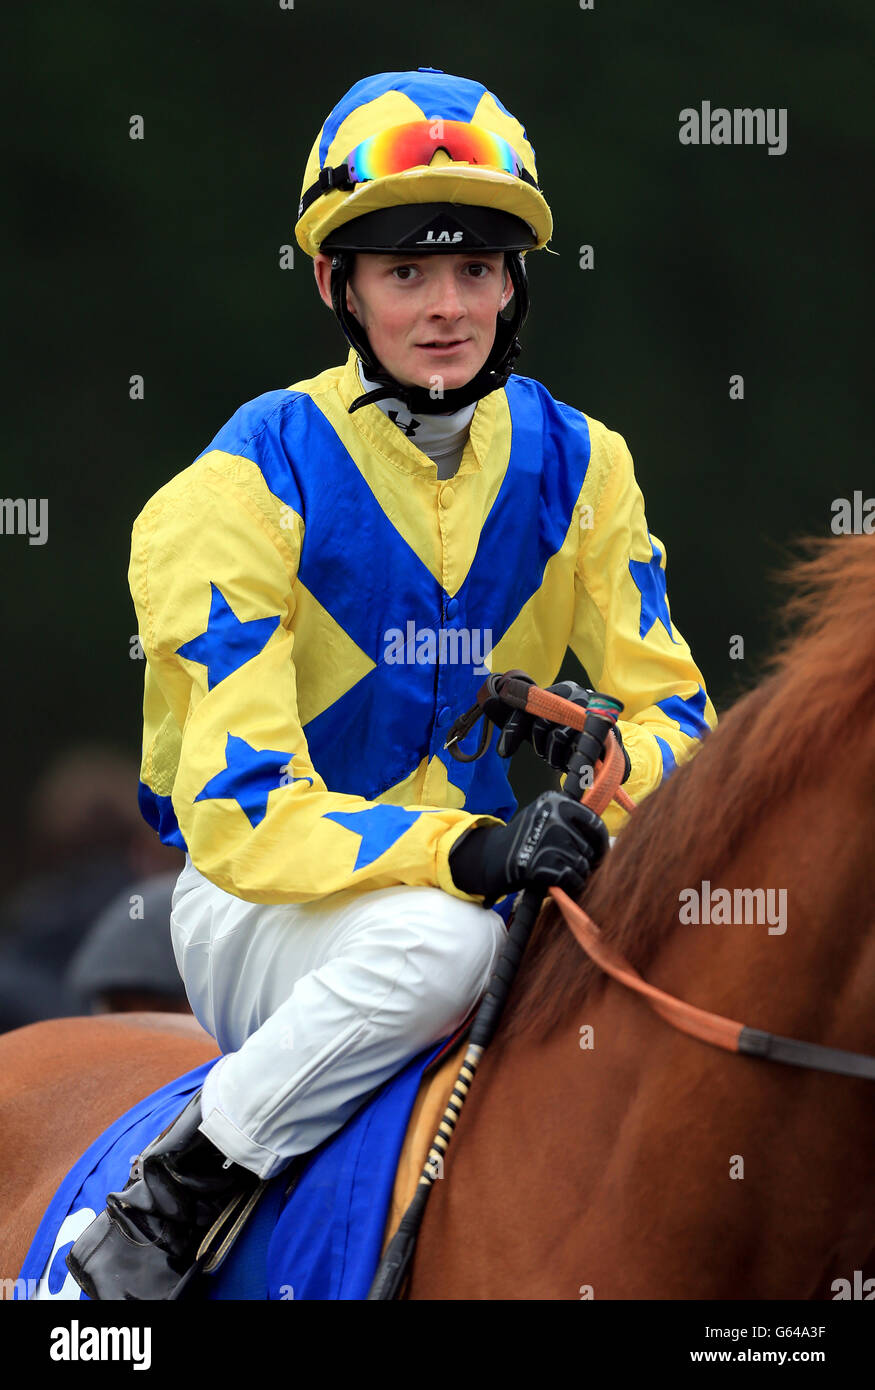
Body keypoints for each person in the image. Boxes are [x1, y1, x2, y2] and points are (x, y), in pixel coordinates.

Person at [67, 67, 716, 1300]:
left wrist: (591, 816)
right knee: (434, 946)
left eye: (475, 269)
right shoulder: (234, 490)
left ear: (513, 285)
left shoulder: (587, 467)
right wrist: (470, 849)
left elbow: (676, 719)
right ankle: (167, 1200)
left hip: (507, 894)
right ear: (337, 286)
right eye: (405, 272)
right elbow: (246, 812)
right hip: (262, 911)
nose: (445, 307)